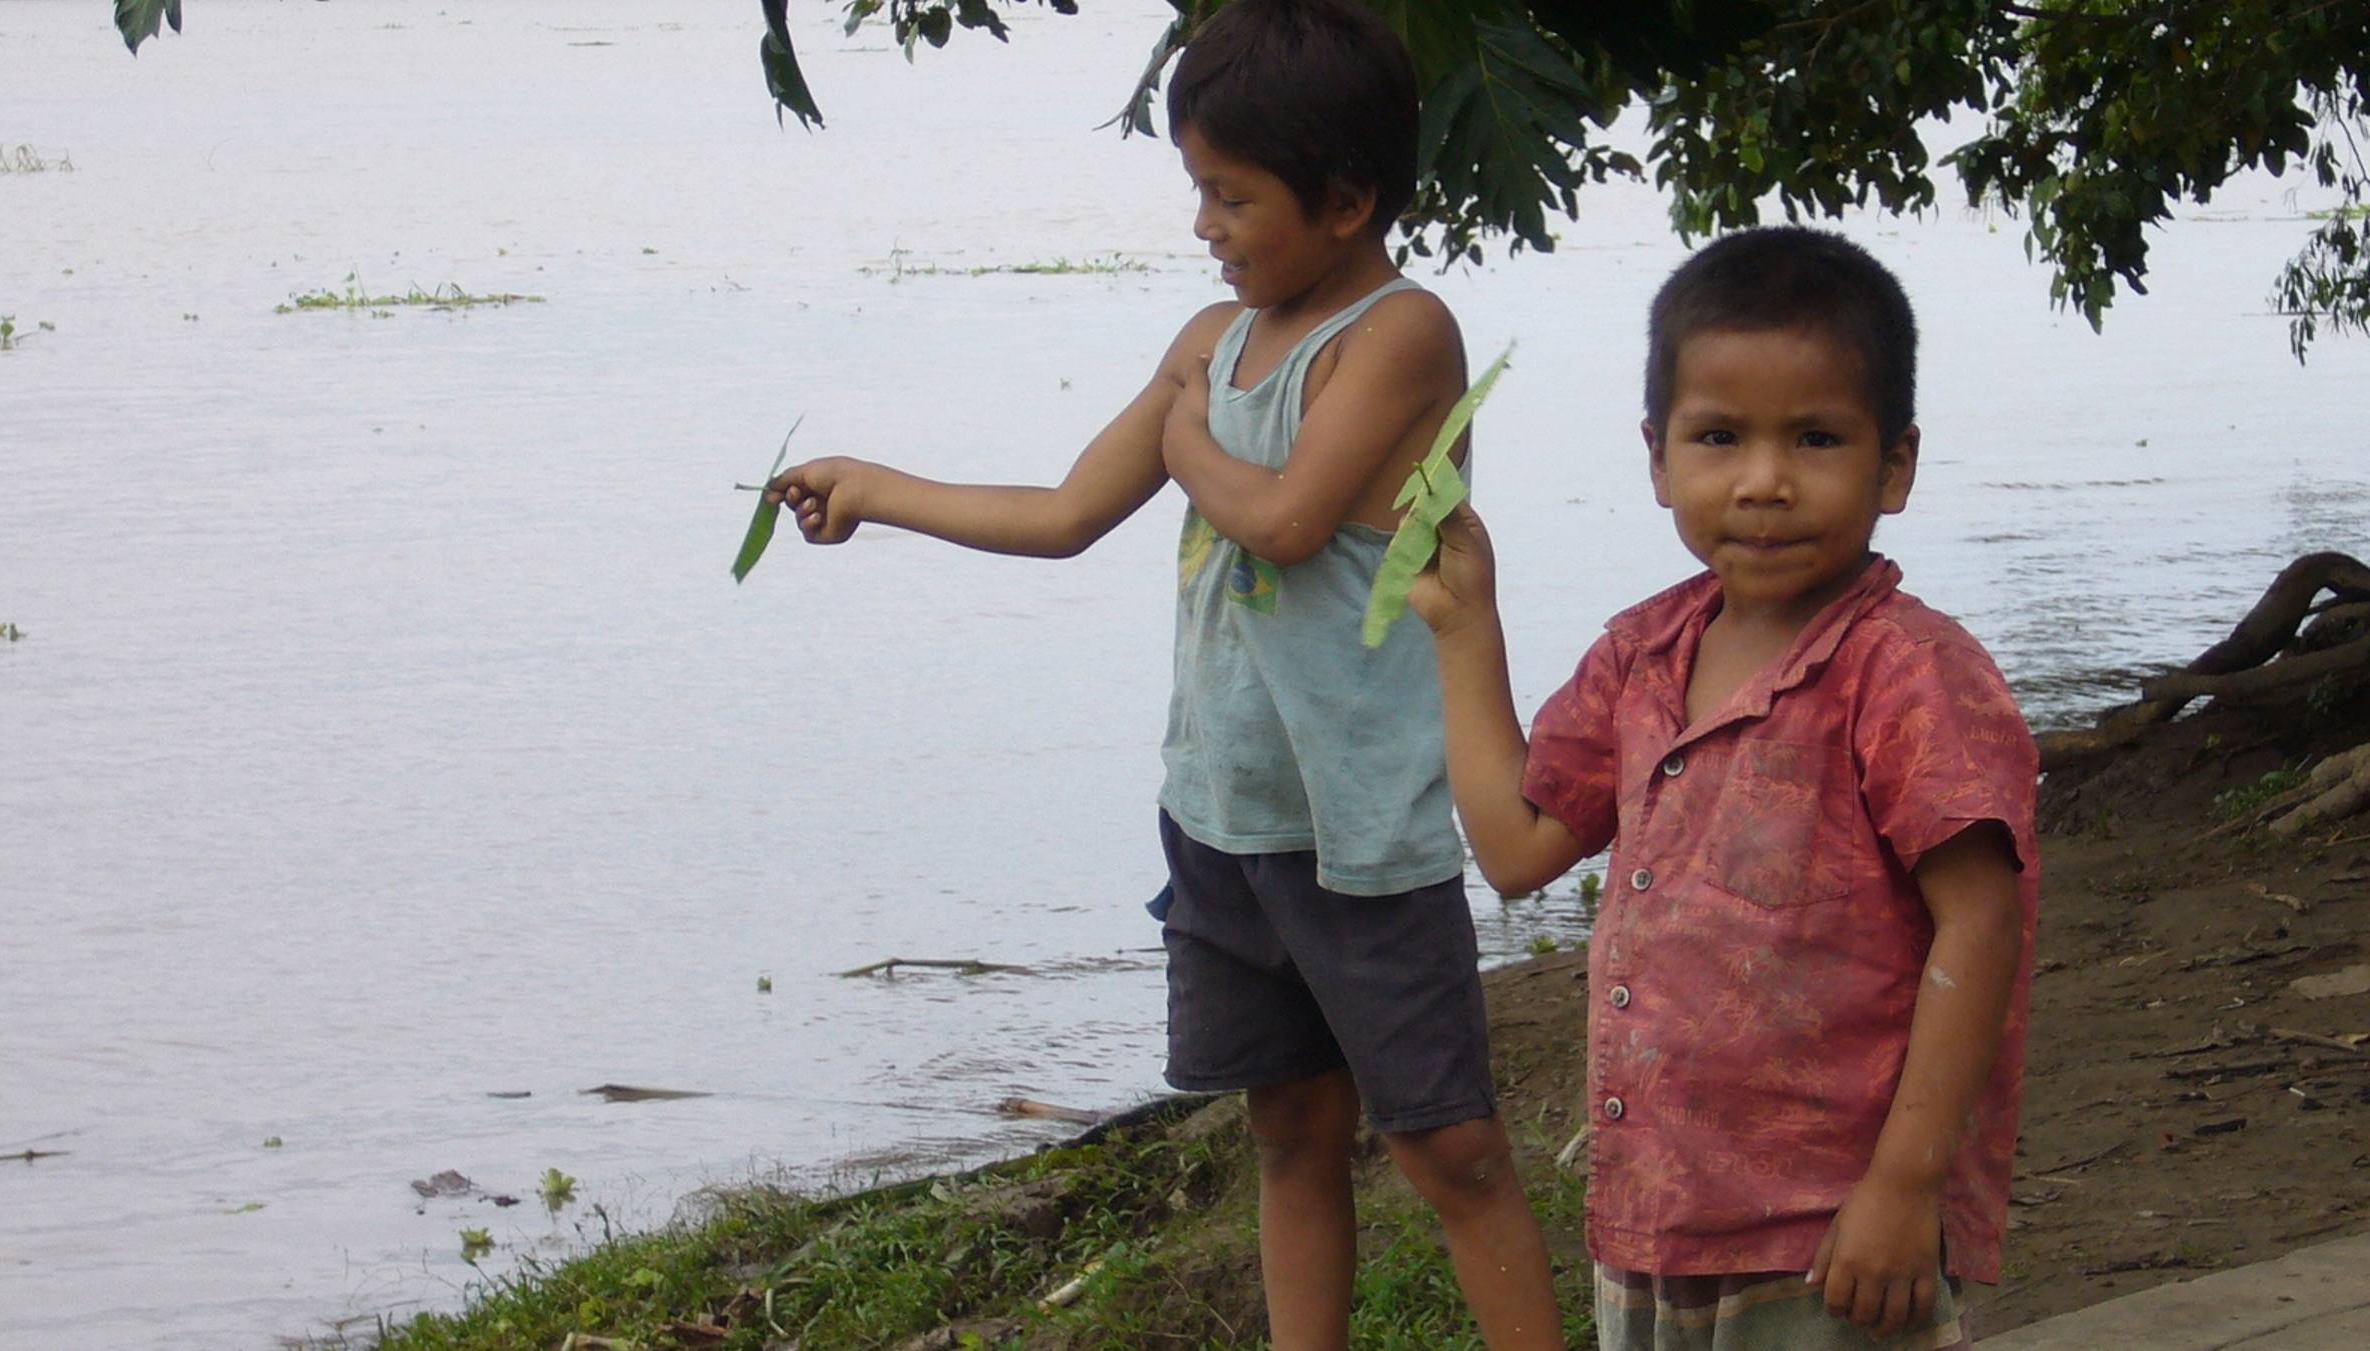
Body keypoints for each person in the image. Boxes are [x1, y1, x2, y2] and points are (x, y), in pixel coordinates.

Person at [769, 2, 1564, 1345]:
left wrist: (1189, 440)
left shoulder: (1399, 332)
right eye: (1199, 188)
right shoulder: (1211, 338)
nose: (1203, 223)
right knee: (1289, 1125)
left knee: (1454, 1147)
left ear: (1347, 198)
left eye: (1230, 195)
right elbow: (1069, 510)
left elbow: (1285, 517)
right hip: (1222, 811)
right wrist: (877, 486)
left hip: (1359, 824)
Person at [1409, 226, 2038, 1350]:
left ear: (1894, 463)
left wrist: (1904, 1187)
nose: (1763, 480)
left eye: (1816, 437)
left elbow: (1984, 916)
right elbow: (1516, 847)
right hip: (1659, 1221)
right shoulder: (1642, 654)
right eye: (1719, 436)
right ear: (1657, 458)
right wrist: (1465, 630)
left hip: (1829, 1236)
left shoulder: (1904, 672)